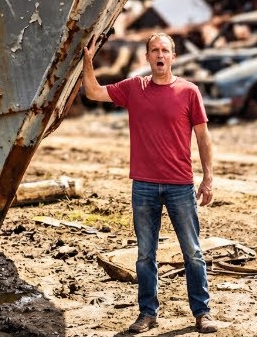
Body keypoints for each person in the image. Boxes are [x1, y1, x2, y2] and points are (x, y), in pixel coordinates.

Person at [82, 32, 227, 334]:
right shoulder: (134, 88)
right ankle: (148, 313)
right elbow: (93, 92)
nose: (160, 55)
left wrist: (208, 177)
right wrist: (87, 60)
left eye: (165, 50)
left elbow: (203, 136)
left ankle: (202, 313)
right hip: (144, 186)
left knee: (193, 252)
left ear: (173, 56)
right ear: (146, 57)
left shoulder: (189, 92)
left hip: (180, 186)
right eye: (154, 50)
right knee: (145, 255)